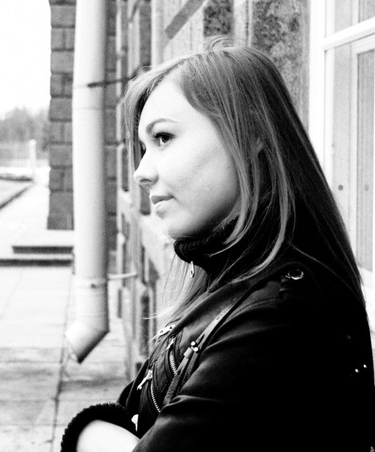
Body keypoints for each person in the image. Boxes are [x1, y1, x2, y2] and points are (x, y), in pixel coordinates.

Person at [61, 37, 375, 452]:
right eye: (142, 147)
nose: (141, 171)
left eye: (163, 138)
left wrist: (89, 429)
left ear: (249, 134)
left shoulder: (278, 315)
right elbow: (134, 409)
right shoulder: (230, 282)